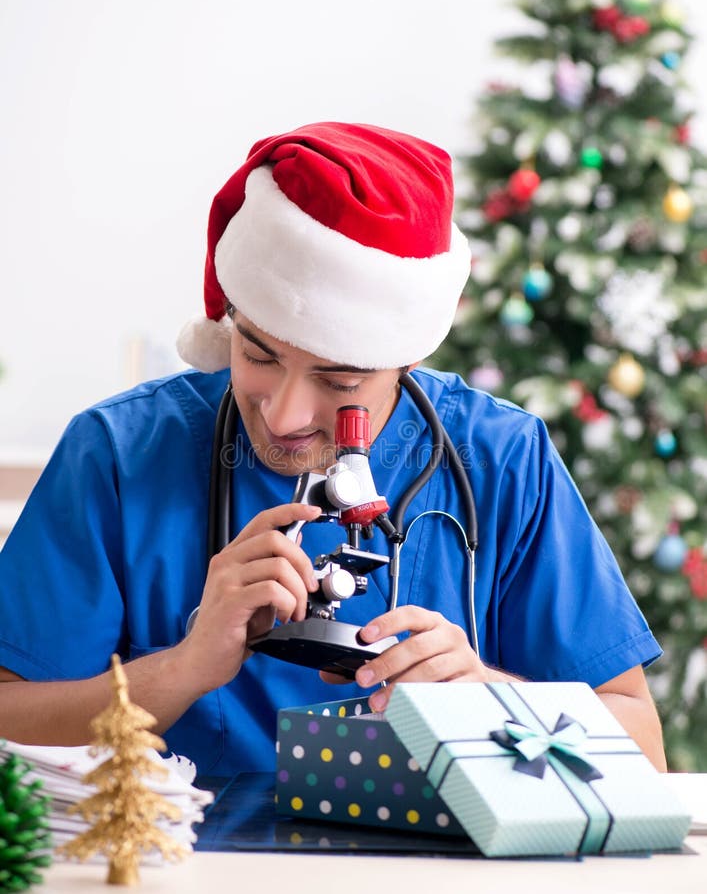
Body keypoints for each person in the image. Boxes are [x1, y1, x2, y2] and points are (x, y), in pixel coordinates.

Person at [0, 122, 666, 775]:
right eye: (258, 355)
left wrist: (492, 702)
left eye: (339, 382)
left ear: (405, 362)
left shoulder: (502, 458)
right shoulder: (119, 454)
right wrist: (182, 669)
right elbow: (9, 717)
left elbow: (642, 747)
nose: (284, 415)